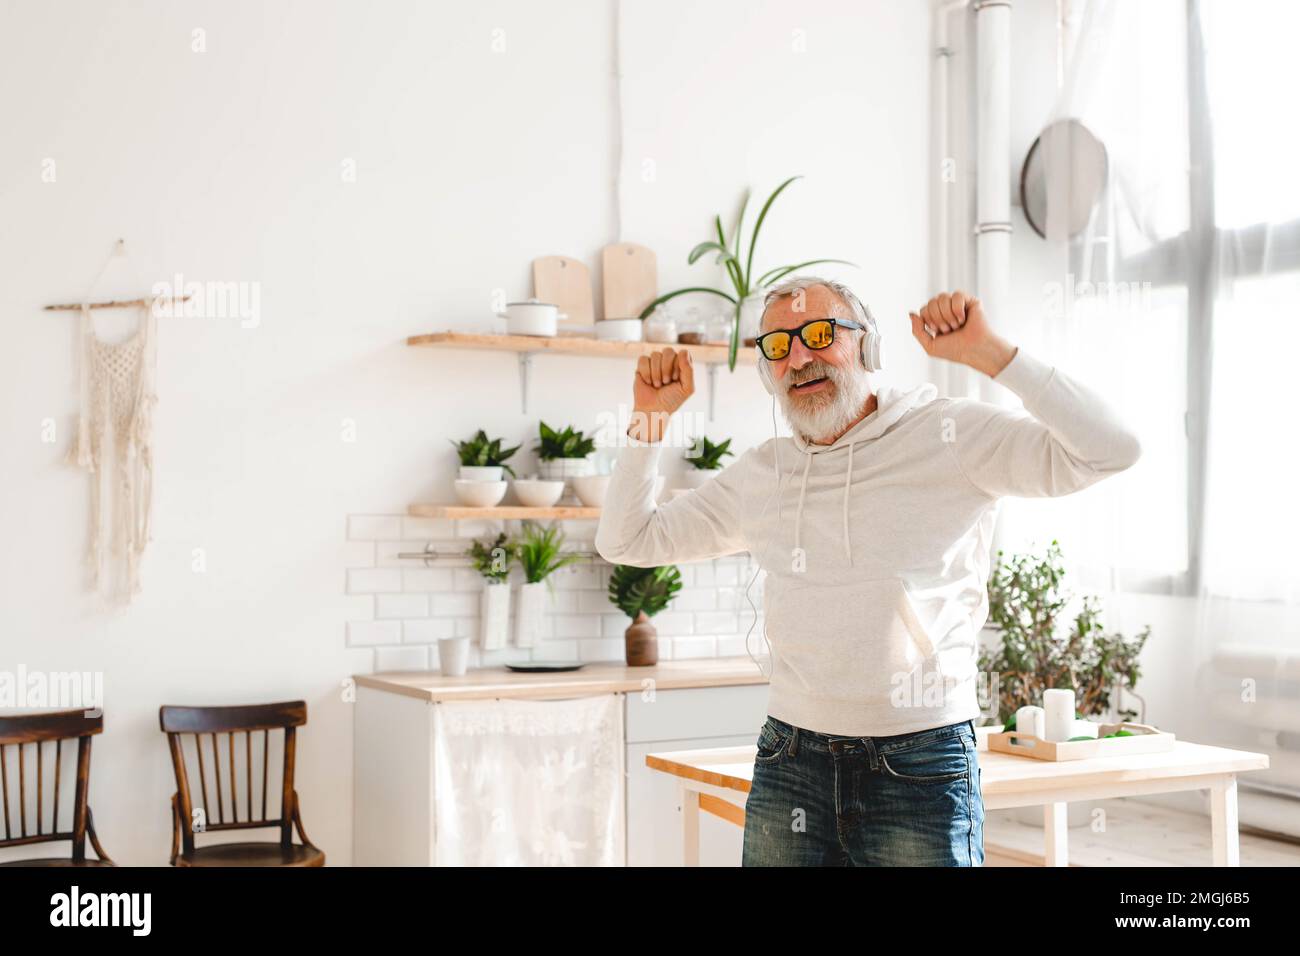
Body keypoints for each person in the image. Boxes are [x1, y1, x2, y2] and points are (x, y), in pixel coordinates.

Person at [594, 276, 1142, 866]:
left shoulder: (948, 436)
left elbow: (1112, 448)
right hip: (790, 758)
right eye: (778, 346)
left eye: (820, 334)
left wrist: (992, 354)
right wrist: (649, 421)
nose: (799, 357)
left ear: (867, 347)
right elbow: (627, 539)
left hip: (920, 760)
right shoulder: (764, 474)